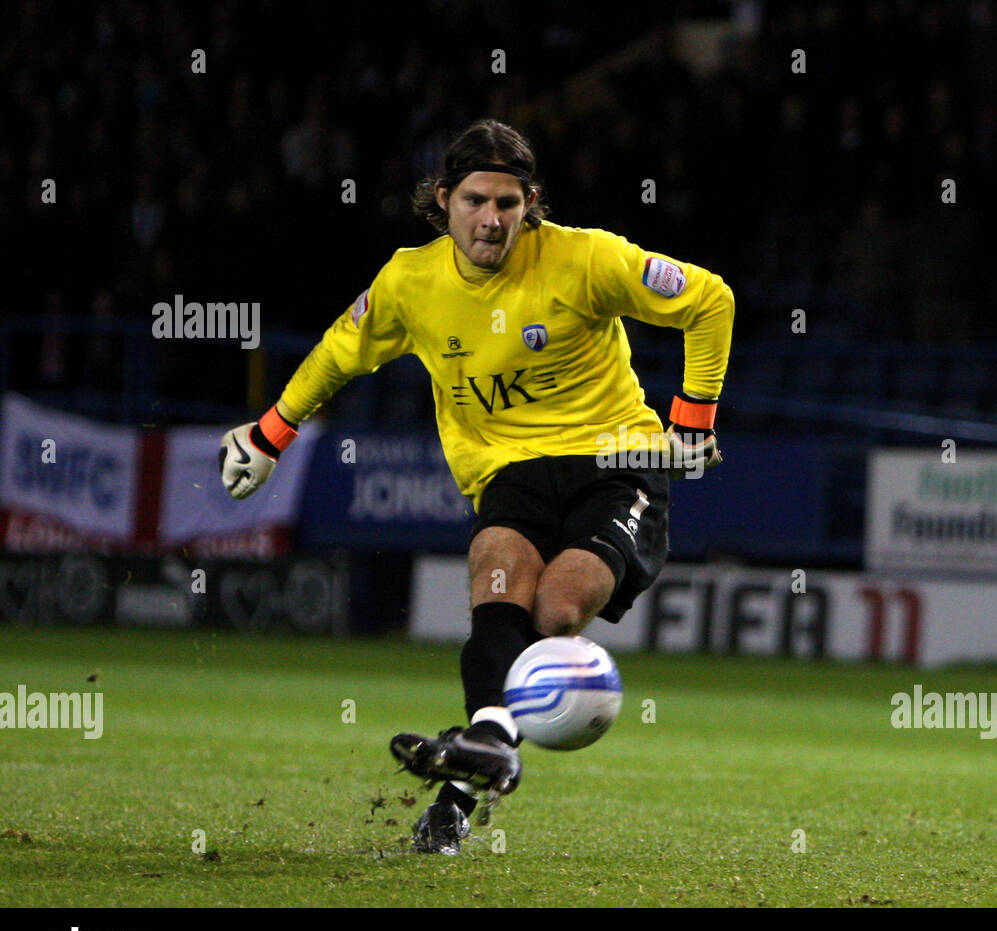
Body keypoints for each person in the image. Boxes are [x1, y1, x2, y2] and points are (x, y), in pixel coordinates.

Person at [217, 119, 733, 854]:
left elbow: (710, 301)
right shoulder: (412, 280)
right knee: (499, 579)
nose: (492, 219)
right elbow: (339, 352)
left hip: (618, 463)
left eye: (508, 203)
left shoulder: (587, 259)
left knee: (556, 603)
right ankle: (482, 758)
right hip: (511, 473)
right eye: (475, 201)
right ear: (443, 199)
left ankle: (469, 769)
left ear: (531, 204)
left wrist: (693, 419)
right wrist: (271, 432)